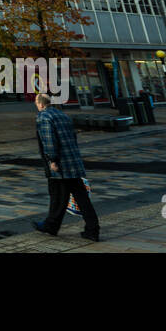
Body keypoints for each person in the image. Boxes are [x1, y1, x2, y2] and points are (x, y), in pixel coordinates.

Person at [33, 92, 99, 241]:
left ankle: (51, 226)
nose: (37, 106)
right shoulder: (63, 115)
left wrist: (52, 160)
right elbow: (73, 139)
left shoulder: (44, 116)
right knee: (81, 198)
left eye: (37, 104)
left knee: (57, 196)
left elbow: (49, 140)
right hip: (73, 163)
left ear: (41, 104)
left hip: (60, 166)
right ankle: (92, 229)